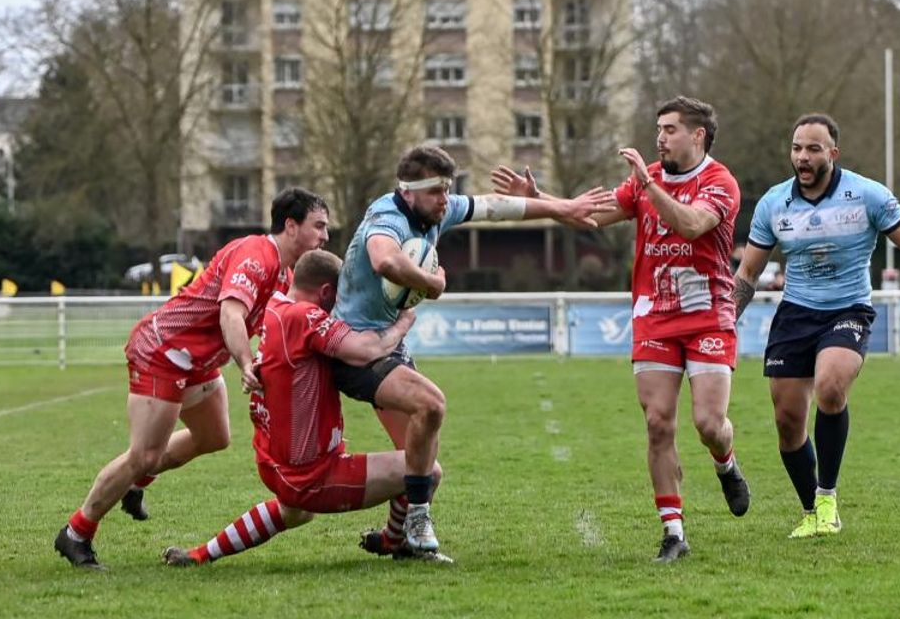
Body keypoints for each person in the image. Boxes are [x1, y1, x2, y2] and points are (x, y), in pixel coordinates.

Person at [493, 96, 750, 564]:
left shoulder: (719, 182)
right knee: (658, 423)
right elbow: (590, 214)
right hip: (655, 315)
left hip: (708, 315)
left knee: (709, 425)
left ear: (698, 135)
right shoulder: (644, 179)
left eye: (670, 129)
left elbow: (692, 225)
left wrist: (649, 186)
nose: (660, 138)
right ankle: (673, 532)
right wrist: (540, 199)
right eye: (658, 129)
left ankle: (726, 461)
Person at [334, 144, 615, 559]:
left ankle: (397, 540)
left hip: (388, 344)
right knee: (431, 404)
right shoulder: (386, 216)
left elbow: (496, 207)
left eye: (448, 189)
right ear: (407, 191)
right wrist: (432, 284)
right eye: (436, 191)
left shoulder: (437, 209)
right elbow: (384, 261)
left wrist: (563, 207)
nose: (444, 199)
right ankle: (418, 520)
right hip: (355, 349)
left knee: (425, 468)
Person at [54, 187, 331, 570]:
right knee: (144, 455)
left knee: (214, 436)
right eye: (319, 226)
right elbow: (231, 314)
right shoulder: (256, 255)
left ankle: (136, 482)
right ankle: (76, 532)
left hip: (197, 361)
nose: (325, 236)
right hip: (164, 351)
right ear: (291, 225)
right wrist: (246, 363)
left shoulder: (284, 273)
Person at [733, 113, 900, 539]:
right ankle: (812, 512)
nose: (803, 156)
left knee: (831, 386)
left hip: (847, 310)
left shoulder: (868, 195)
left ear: (833, 153)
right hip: (795, 314)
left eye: (813, 149)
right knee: (788, 422)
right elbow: (748, 273)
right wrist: (725, 321)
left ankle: (827, 496)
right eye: (797, 147)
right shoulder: (773, 203)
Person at [161, 250, 436, 566]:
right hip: (312, 474)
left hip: (274, 462)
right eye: (340, 295)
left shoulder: (276, 307)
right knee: (426, 470)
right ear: (326, 292)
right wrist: (403, 322)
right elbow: (367, 350)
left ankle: (198, 555)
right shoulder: (306, 317)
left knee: (295, 512)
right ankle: (394, 540)